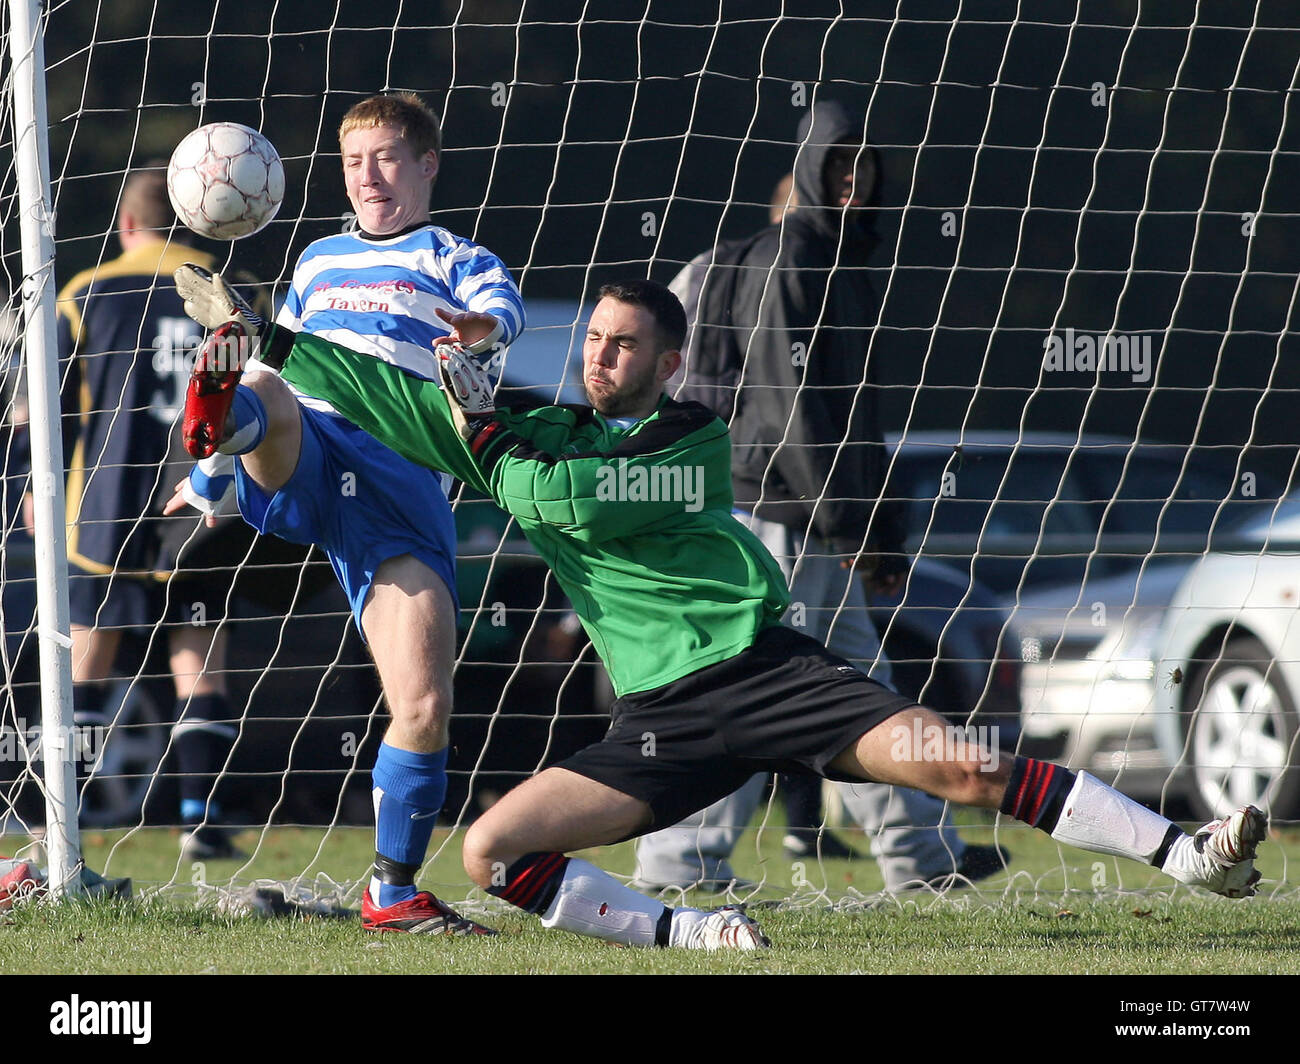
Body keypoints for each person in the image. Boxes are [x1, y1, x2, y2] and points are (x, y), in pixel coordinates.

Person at [182, 273, 1267, 950]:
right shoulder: (539, 423)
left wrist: (478, 429)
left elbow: (559, 500)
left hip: (769, 672)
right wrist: (262, 332)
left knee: (965, 766)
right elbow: (382, 390)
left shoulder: (689, 439)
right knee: (492, 855)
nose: (601, 356)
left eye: (623, 345)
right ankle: (690, 928)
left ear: (670, 361)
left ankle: (1187, 853)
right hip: (657, 717)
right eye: (594, 341)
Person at [166, 92, 525, 934]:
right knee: (263, 380)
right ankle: (216, 413)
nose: (370, 177)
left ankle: (392, 892)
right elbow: (278, 370)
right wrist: (215, 477)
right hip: (313, 443)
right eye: (355, 162)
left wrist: (479, 331)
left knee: (425, 705)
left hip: (402, 479)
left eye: (390, 158)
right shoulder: (320, 259)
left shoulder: (452, 253)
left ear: (428, 164)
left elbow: (498, 314)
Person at [636, 113, 1004, 894]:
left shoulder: (825, 262)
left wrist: (878, 528)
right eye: (838, 169)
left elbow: (855, 416)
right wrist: (851, 527)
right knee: (754, 688)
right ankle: (679, 866)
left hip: (793, 514)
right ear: (807, 175)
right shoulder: (796, 259)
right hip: (784, 515)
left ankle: (924, 862)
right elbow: (795, 406)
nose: (852, 184)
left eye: (864, 172)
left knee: (855, 694)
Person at [40, 165, 265, 859]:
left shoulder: (86, 292)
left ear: (127, 226)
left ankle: (64, 826)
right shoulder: (235, 292)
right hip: (202, 506)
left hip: (105, 509)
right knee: (200, 665)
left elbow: (48, 412)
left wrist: (32, 491)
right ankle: (203, 819)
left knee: (88, 665)